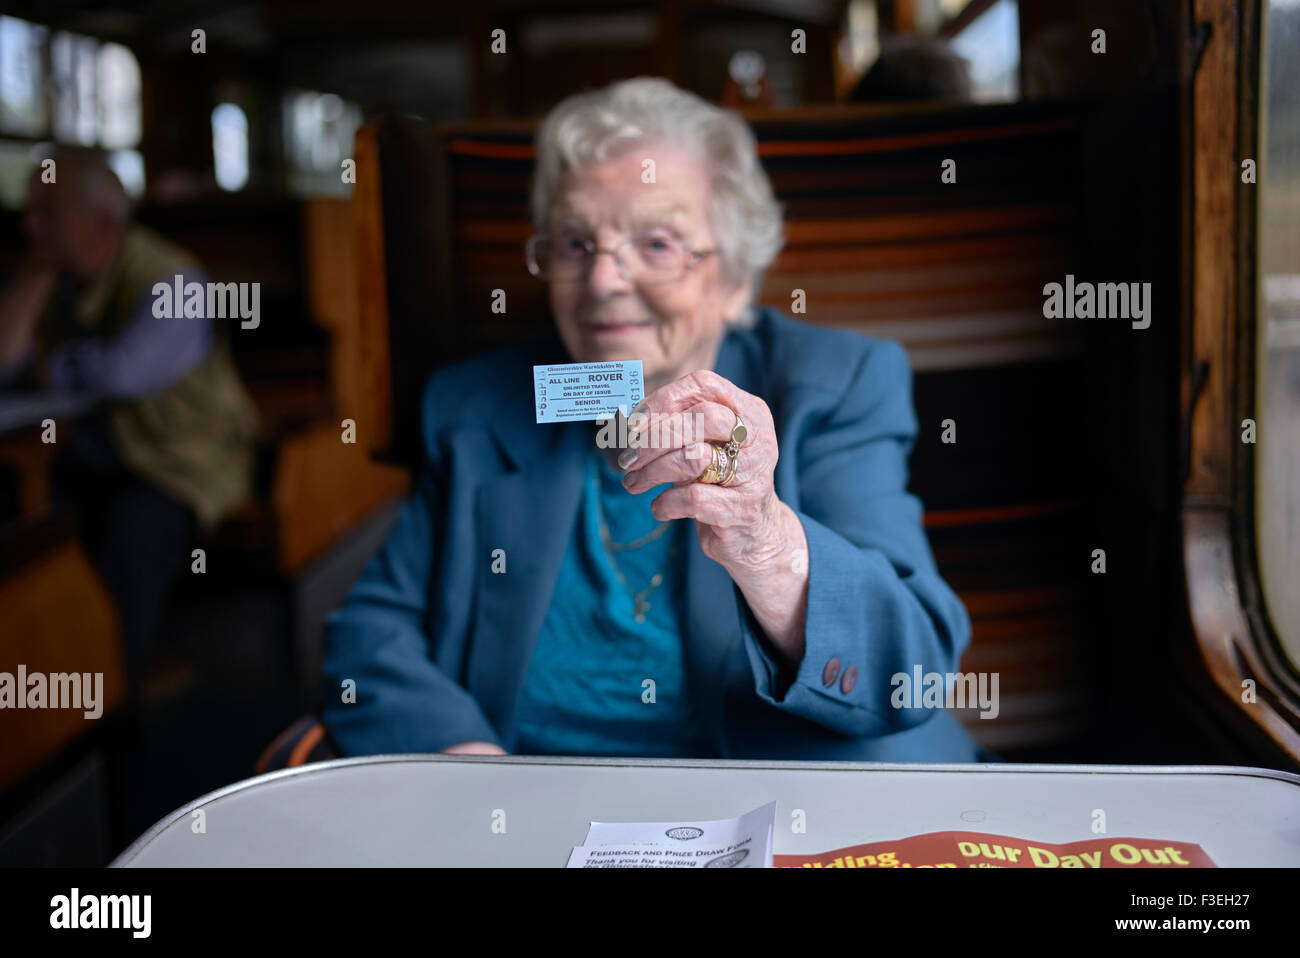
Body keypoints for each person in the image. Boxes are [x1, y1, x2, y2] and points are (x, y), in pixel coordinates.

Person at [322, 77, 988, 762]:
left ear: (734, 282)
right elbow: (373, 630)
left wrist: (765, 539)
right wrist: (464, 761)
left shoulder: (834, 387)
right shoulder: (480, 403)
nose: (605, 282)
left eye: (659, 243)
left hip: (783, 812)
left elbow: (913, 674)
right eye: (577, 245)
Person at [0, 148, 261, 704]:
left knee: (131, 533)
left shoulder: (172, 277)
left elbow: (126, 373)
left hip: (182, 461)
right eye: (30, 212)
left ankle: (114, 702)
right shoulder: (53, 278)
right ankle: (39, 691)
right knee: (27, 522)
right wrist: (35, 275)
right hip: (94, 452)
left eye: (48, 212)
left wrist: (53, 365)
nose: (30, 225)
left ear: (101, 223)